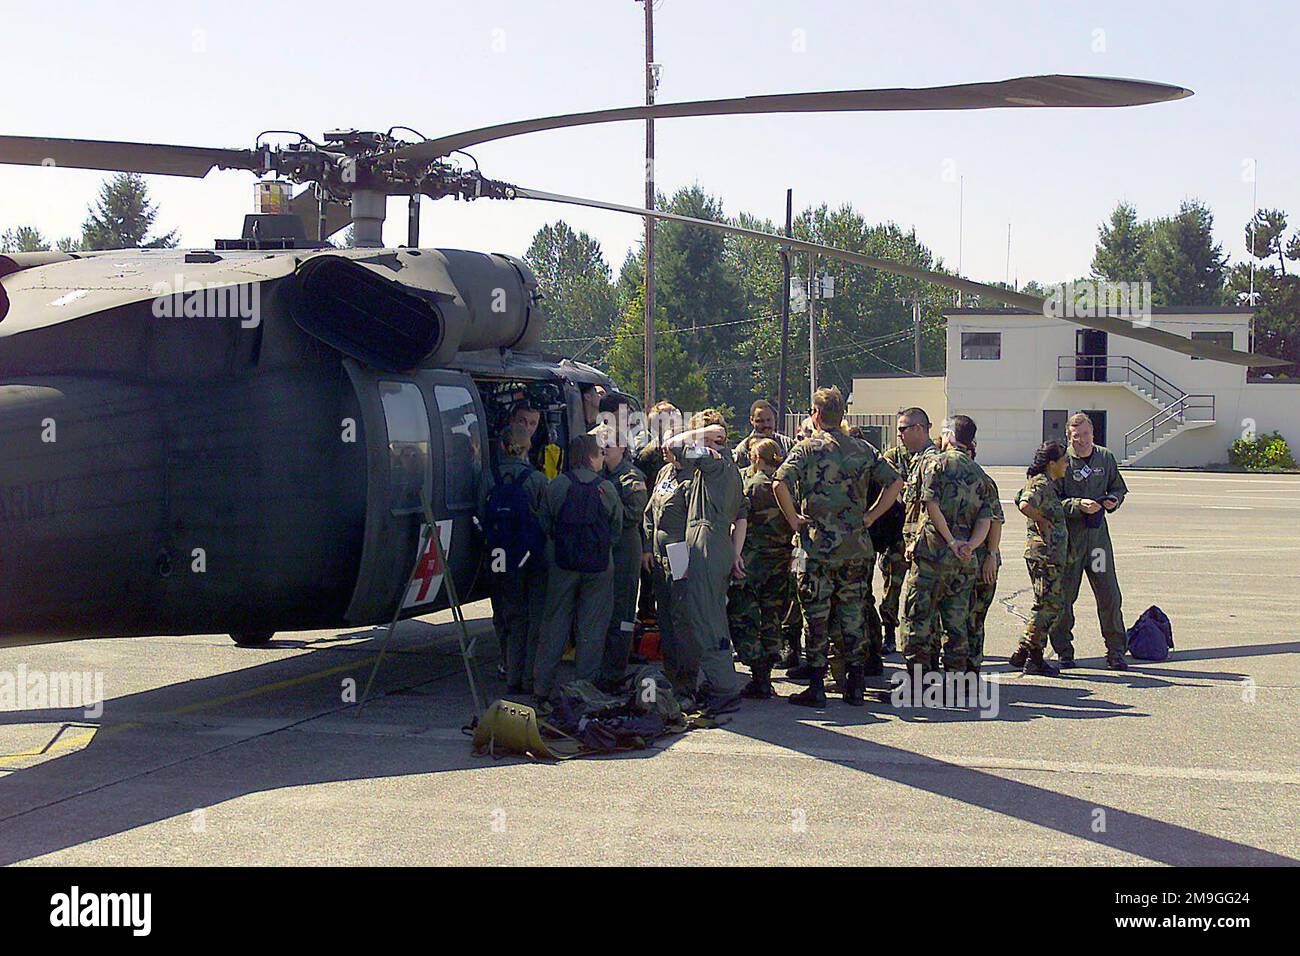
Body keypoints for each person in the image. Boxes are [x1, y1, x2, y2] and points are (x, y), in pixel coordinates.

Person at [774, 387, 902, 707]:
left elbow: (779, 482)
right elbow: (896, 482)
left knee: (815, 616)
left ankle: (816, 686)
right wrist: (871, 515)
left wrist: (794, 519)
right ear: (842, 414)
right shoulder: (863, 448)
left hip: (817, 546)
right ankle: (855, 686)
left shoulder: (806, 449)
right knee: (853, 614)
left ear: (816, 415)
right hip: (856, 545)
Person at [900, 415, 995, 674]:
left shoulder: (936, 464)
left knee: (918, 618)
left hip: (933, 556)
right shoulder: (980, 474)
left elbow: (931, 506)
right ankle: (956, 678)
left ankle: (920, 680)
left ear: (950, 436)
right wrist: (970, 546)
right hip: (963, 563)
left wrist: (951, 541)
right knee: (956, 622)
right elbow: (986, 519)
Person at [666, 411, 748, 707]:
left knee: (705, 616)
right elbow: (742, 513)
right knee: (712, 612)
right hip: (719, 541)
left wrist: (698, 436)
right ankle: (722, 681)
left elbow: (672, 446)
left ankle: (722, 687)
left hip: (705, 537)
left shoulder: (712, 459)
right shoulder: (733, 467)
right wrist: (736, 553)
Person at [533, 433, 623, 701]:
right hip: (599, 567)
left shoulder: (556, 485)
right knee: (592, 627)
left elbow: (544, 524)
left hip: (562, 563)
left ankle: (541, 686)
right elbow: (616, 529)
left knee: (554, 624)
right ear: (592, 457)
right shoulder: (606, 489)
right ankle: (583, 689)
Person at [1050, 412, 1130, 670]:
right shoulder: (1061, 462)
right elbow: (1050, 501)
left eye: (1085, 435)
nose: (1081, 441)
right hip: (1070, 543)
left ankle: (1116, 650)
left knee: (1109, 595)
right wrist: (1076, 505)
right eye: (1076, 436)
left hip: (1097, 542)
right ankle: (1064, 651)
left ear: (1093, 434)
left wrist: (1113, 501)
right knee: (1063, 599)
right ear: (1068, 436)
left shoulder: (1105, 458)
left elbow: (1119, 487)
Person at [482, 423, 549, 694]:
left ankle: (506, 662)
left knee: (503, 612)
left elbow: (480, 514)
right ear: (528, 447)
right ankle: (526, 671)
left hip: (498, 554)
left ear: (501, 446)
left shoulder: (489, 476)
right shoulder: (536, 479)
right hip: (529, 557)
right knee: (530, 615)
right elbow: (545, 521)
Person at [727, 438, 793, 699]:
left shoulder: (752, 486)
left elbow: (739, 519)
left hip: (753, 560)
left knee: (744, 615)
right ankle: (765, 673)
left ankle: (758, 673)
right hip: (780, 559)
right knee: (772, 616)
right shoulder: (785, 486)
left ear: (755, 458)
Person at [878, 407, 936, 656]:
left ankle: (928, 644)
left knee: (927, 594)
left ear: (919, 429)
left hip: (926, 539)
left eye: (903, 428)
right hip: (897, 535)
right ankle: (889, 632)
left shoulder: (937, 459)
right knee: (892, 586)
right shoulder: (893, 457)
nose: (899, 434)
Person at [595, 422, 648, 689]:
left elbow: (633, 515)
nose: (604, 449)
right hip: (607, 549)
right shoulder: (601, 475)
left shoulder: (631, 478)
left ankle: (616, 669)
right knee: (604, 610)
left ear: (623, 447)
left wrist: (604, 512)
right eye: (602, 443)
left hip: (626, 550)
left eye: (610, 444)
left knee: (623, 611)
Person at [642, 434, 695, 700]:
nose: (664, 449)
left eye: (670, 447)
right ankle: (670, 671)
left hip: (679, 552)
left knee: (680, 616)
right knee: (664, 613)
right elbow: (650, 511)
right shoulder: (664, 473)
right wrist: (647, 547)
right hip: (659, 552)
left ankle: (686, 678)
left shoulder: (692, 477)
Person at [1012, 441, 1070, 677]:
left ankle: (1034, 659)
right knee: (1050, 605)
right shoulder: (1041, 483)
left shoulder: (1047, 484)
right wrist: (1041, 520)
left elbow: (1018, 497)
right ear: (1051, 463)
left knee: (1045, 604)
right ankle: (1025, 646)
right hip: (1044, 556)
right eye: (1064, 459)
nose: (1067, 464)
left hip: (1049, 555)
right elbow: (1024, 503)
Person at [782, 415, 820, 676]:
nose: (801, 438)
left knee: (810, 599)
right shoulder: (797, 461)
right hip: (797, 544)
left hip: (812, 543)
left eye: (806, 433)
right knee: (795, 591)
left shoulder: (819, 460)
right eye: (798, 435)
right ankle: (792, 647)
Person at [963, 441, 1004, 673]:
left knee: (976, 617)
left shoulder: (984, 482)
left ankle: (972, 668)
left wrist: (990, 555)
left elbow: (995, 521)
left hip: (981, 561)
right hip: (963, 561)